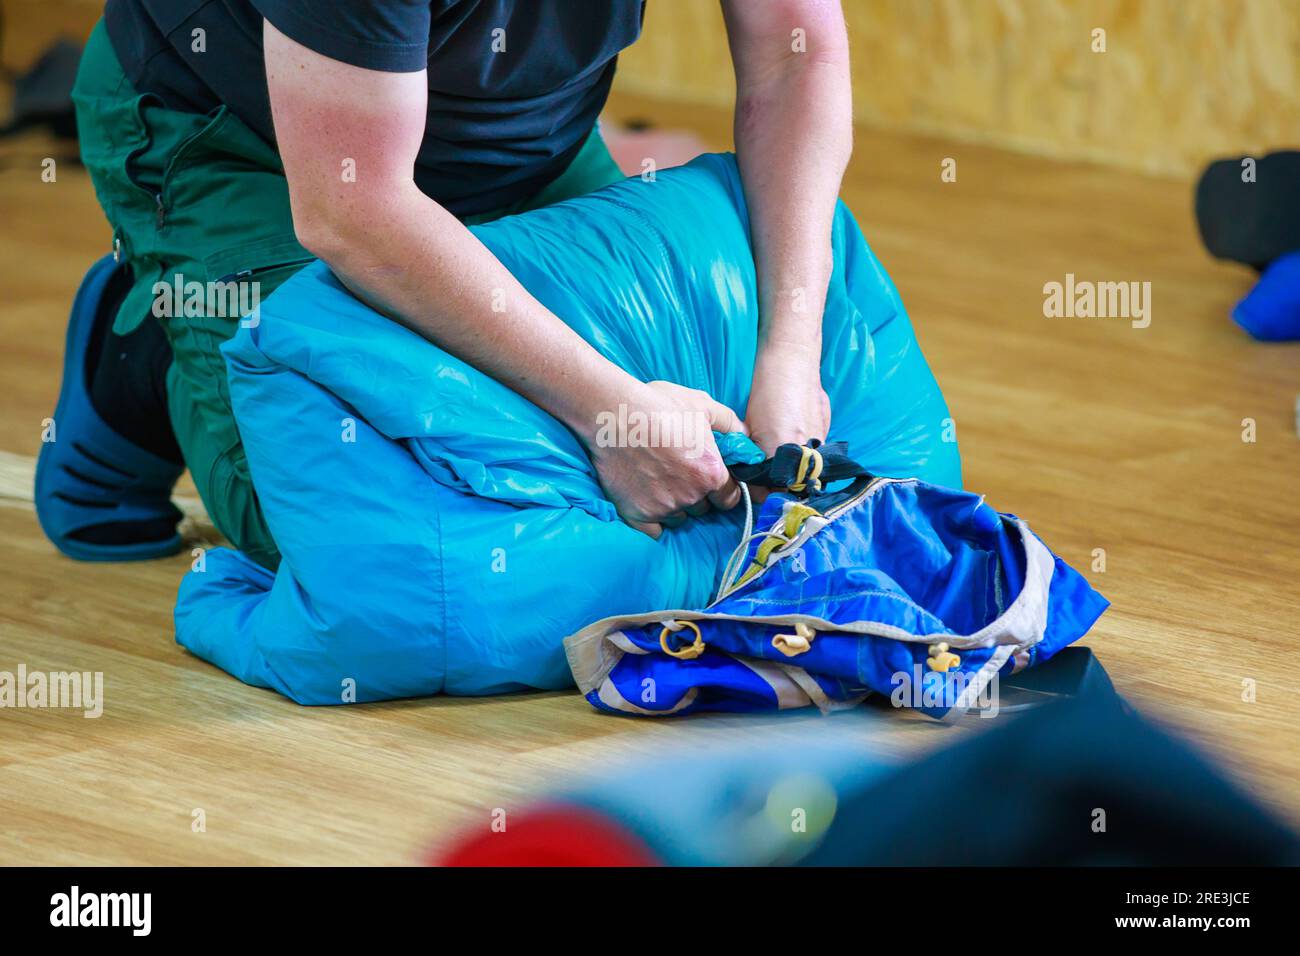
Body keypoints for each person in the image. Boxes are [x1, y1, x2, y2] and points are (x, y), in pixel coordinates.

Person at [36, 0, 852, 569]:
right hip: (247, 140)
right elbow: (351, 205)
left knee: (692, 434)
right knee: (357, 536)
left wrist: (790, 348)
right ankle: (151, 343)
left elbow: (796, 60)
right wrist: (609, 413)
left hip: (521, 139)